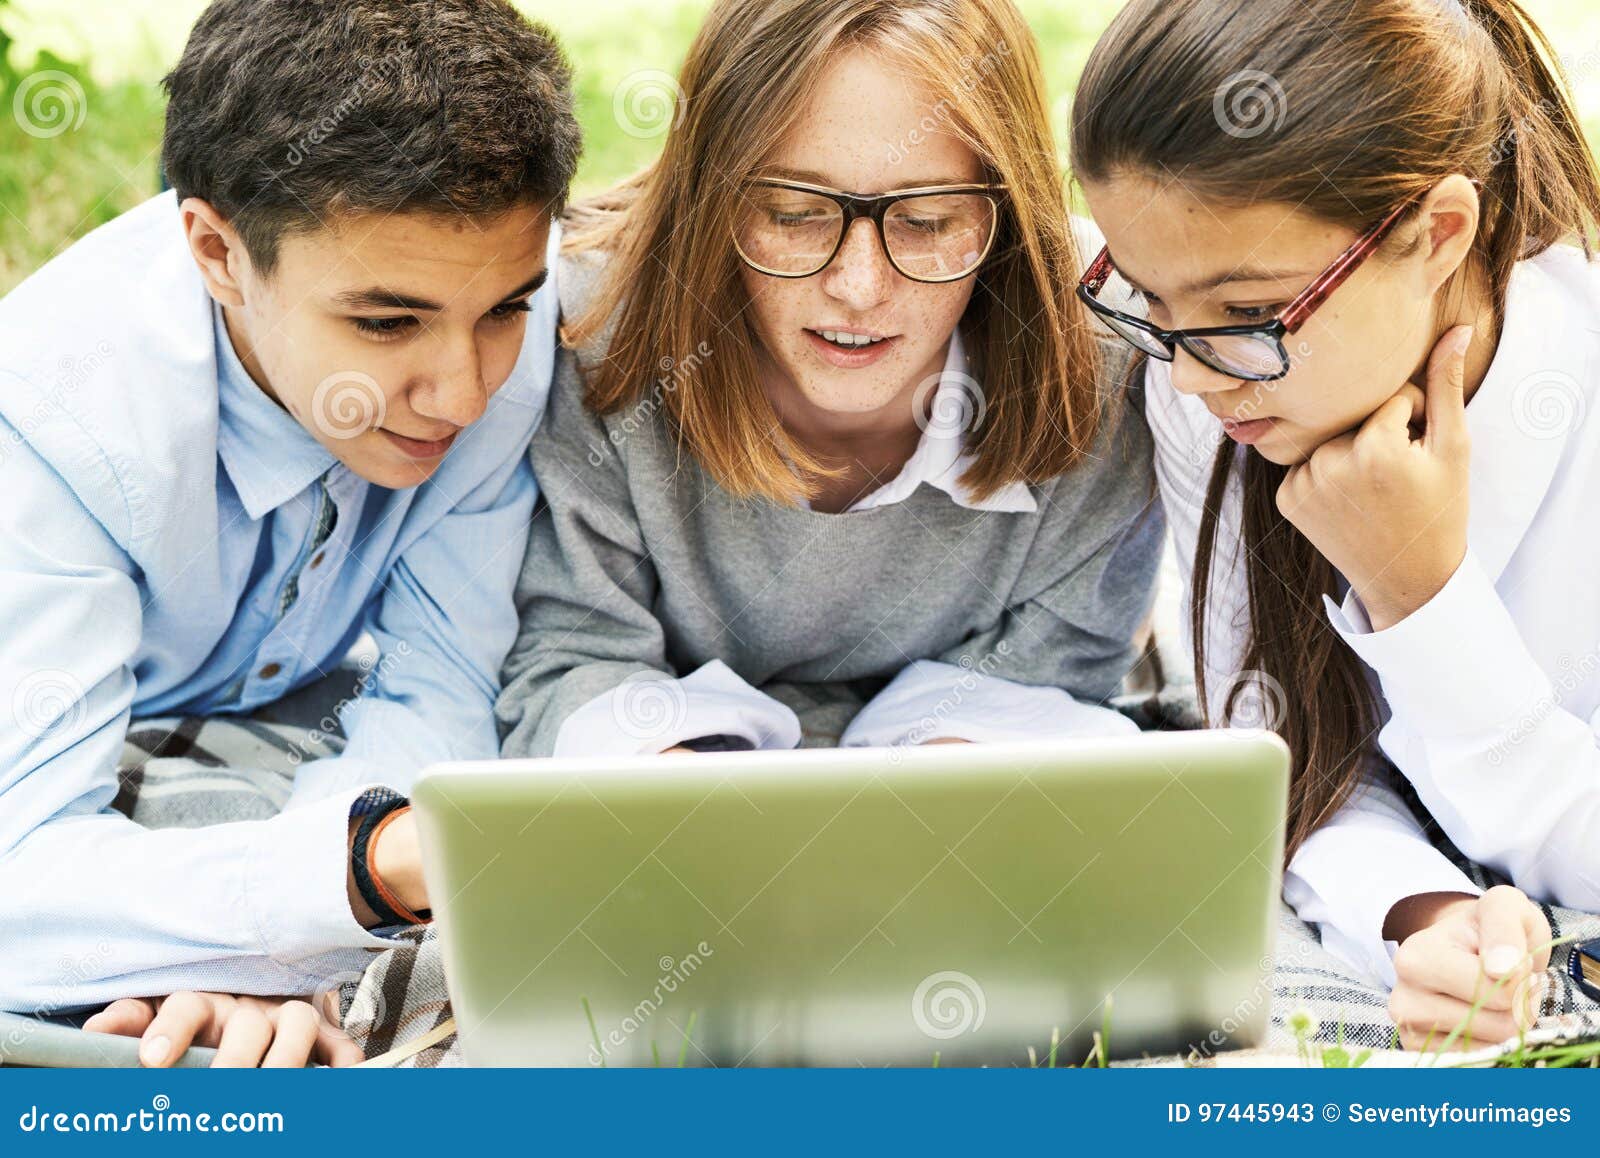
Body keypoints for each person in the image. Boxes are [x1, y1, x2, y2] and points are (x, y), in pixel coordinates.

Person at [0, 0, 580, 1066]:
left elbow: (439, 692)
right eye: (384, 322)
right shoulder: (51, 422)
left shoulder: (506, 325)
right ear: (217, 251)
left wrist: (294, 944)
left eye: (504, 308)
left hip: (280, 754)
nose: (462, 393)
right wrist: (350, 882)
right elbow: (14, 883)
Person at [1070, 0, 1600, 1048]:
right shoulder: (1207, 390)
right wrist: (1418, 911)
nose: (1183, 372)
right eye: (1148, 299)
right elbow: (1278, 757)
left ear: (1438, 232)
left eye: (1243, 311)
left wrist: (1418, 594)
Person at [496, 0, 1164, 763]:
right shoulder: (588, 327)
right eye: (792, 213)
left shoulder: (1110, 345)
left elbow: (1057, 673)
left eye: (929, 222)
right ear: (707, 204)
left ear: (1008, 220)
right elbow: (569, 655)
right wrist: (693, 804)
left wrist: (909, 798)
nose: (858, 286)